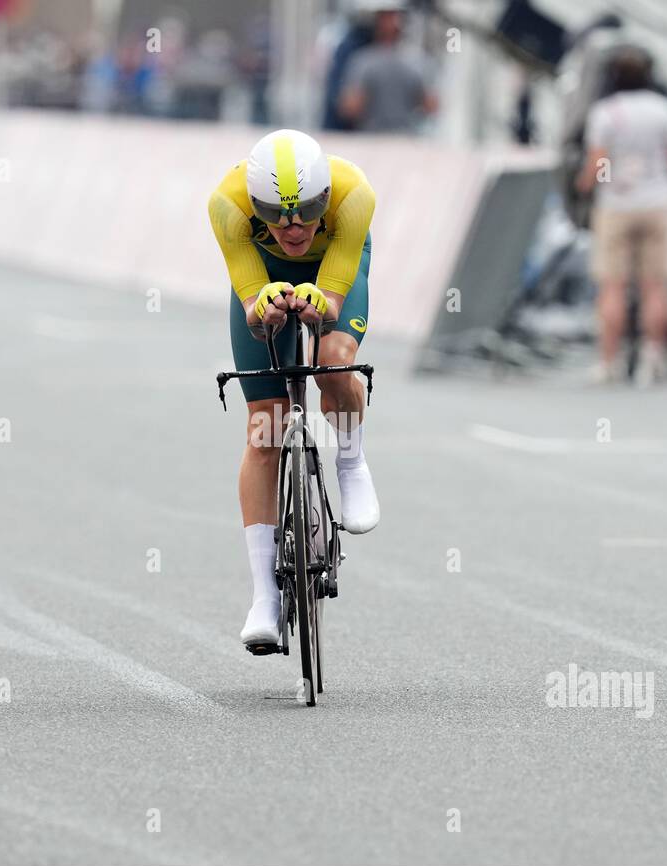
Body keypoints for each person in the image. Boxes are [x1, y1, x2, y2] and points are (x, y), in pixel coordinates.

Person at [208, 130, 380, 649]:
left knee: (332, 362)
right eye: (276, 214)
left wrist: (317, 300)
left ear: (325, 197)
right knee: (265, 426)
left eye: (307, 210)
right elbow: (250, 309)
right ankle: (264, 596)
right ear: (254, 205)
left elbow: (329, 305)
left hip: (332, 276)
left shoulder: (354, 195)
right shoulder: (227, 206)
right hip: (265, 277)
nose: (294, 226)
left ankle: (350, 459)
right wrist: (263, 306)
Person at [576, 47, 667, 386]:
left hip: (616, 206)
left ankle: (610, 362)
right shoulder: (666, 111)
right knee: (655, 286)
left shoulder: (606, 113)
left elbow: (598, 164)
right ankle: (654, 359)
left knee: (612, 287)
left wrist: (588, 185)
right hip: (657, 203)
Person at [338, 6, 437, 134]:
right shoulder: (364, 60)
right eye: (387, 17)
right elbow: (349, 108)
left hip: (402, 138)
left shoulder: (417, 61)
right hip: (372, 138)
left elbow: (431, 106)